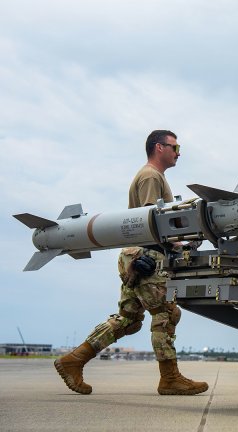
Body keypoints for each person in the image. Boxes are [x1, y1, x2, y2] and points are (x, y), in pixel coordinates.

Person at [54, 130, 209, 396]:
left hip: (136, 256)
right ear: (159, 147)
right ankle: (170, 378)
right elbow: (151, 220)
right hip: (147, 258)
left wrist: (178, 245)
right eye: (175, 147)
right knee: (166, 313)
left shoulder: (152, 176)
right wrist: (170, 246)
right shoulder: (151, 176)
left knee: (129, 319)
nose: (178, 152)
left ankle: (74, 360)